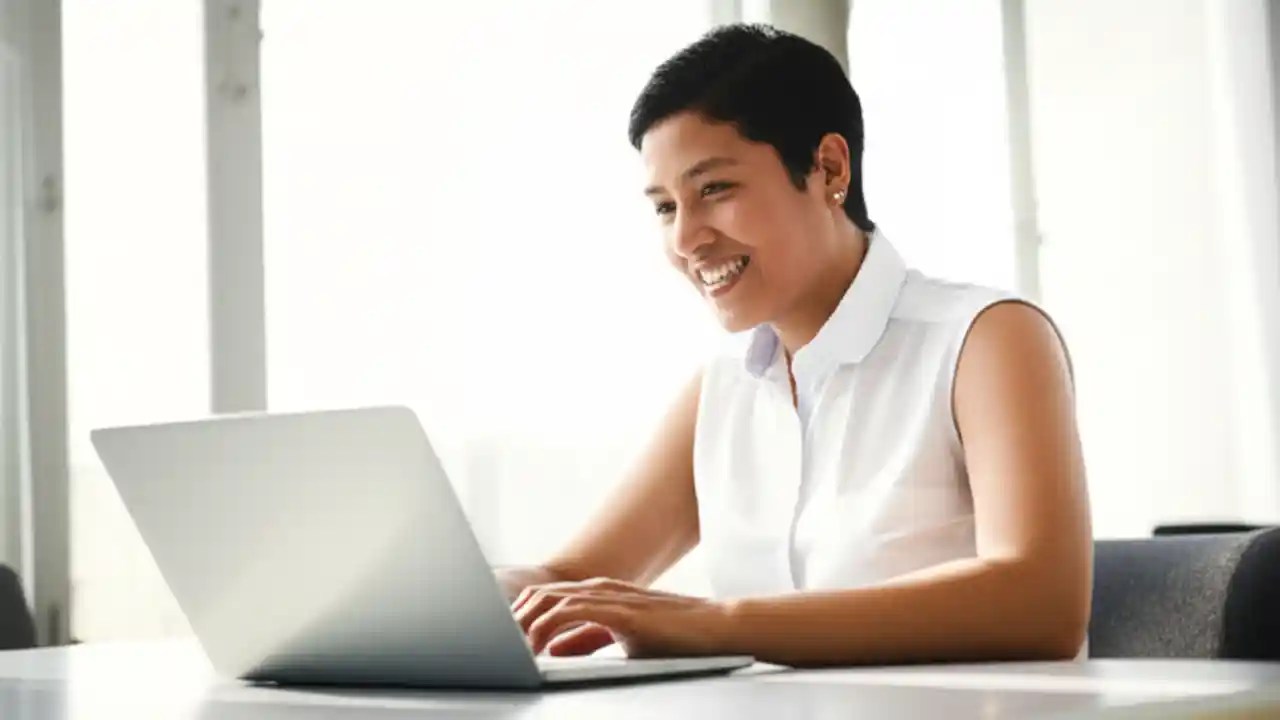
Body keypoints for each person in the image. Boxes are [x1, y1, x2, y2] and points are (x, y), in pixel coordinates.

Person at [498, 23, 1091, 667]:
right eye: (666, 207)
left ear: (828, 168)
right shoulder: (725, 387)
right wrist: (449, 599)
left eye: (714, 190)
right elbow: (568, 579)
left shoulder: (987, 339)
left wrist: (717, 625)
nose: (686, 240)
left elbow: (1041, 600)